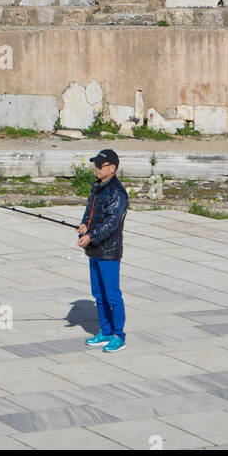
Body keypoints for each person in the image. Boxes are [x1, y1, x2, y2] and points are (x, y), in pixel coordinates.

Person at [78, 148, 128, 353]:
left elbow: (112, 223)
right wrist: (83, 226)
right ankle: (105, 331)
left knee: (112, 295)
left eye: (101, 165)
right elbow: (89, 212)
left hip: (109, 250)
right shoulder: (96, 188)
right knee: (98, 293)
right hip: (94, 248)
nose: (97, 169)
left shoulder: (117, 193)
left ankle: (118, 335)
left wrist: (91, 235)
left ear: (113, 168)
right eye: (96, 165)